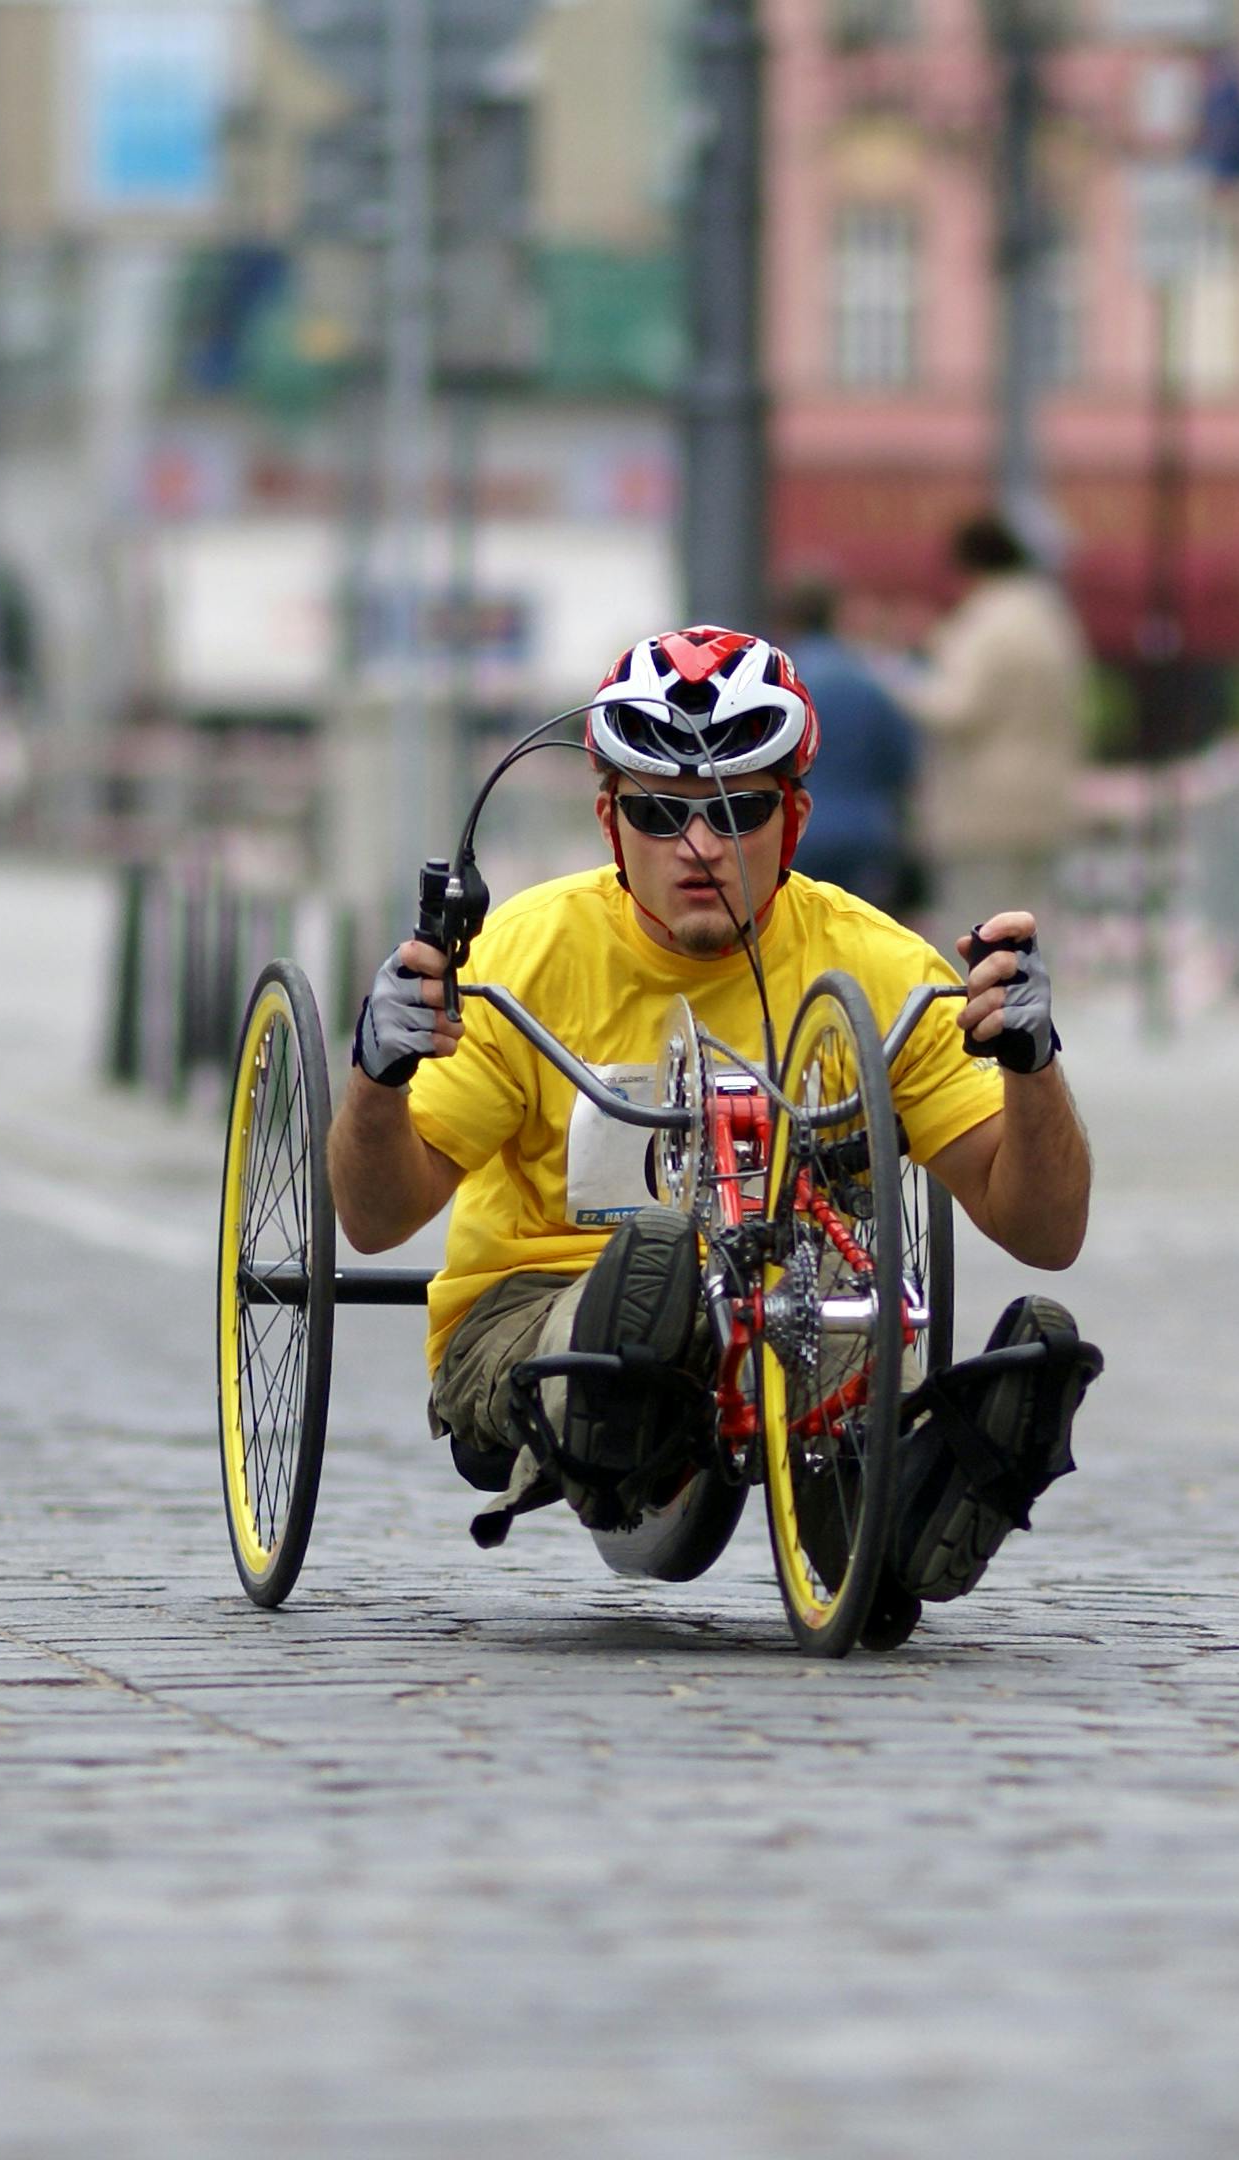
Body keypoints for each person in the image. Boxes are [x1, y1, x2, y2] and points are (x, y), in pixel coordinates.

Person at [330, 624, 1104, 1644]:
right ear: (612, 821)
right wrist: (379, 1077)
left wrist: (1033, 1066)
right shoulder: (526, 953)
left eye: (738, 812)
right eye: (662, 813)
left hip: (803, 1318)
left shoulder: (881, 969)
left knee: (876, 1479)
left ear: (794, 821)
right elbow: (377, 1218)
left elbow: (1043, 1229)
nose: (700, 847)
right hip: (538, 1315)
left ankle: (920, 1502)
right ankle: (631, 1416)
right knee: (660, 1267)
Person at [903, 514, 1094, 934]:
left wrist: (900, 684)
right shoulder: (1053, 619)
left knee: (977, 931)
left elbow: (956, 707)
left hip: (982, 807)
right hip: (1047, 799)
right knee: (1033, 932)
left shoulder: (983, 624)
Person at [775, 576, 921, 911]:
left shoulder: (777, 685)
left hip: (795, 833)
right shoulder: (869, 680)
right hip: (865, 832)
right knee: (858, 934)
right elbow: (903, 762)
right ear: (834, 615)